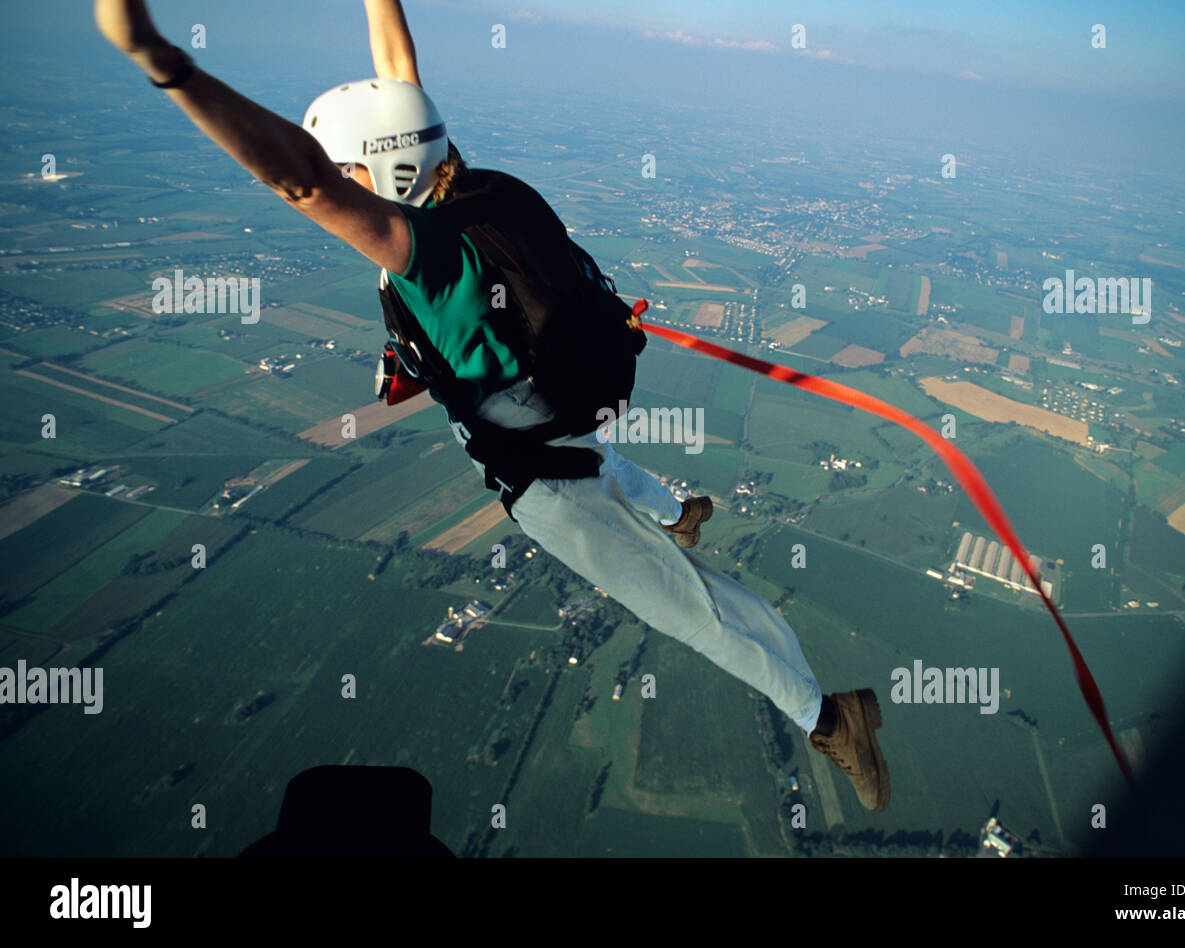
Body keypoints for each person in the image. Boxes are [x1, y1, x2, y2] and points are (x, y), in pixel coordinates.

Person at [93, 0, 891, 811]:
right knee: (622, 496)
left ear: (385, 174)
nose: (345, 190)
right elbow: (401, 91)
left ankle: (827, 718)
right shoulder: (467, 190)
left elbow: (296, 177)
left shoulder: (422, 256)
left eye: (352, 174)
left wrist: (166, 63)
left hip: (546, 480)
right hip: (565, 427)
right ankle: (676, 511)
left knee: (694, 614)